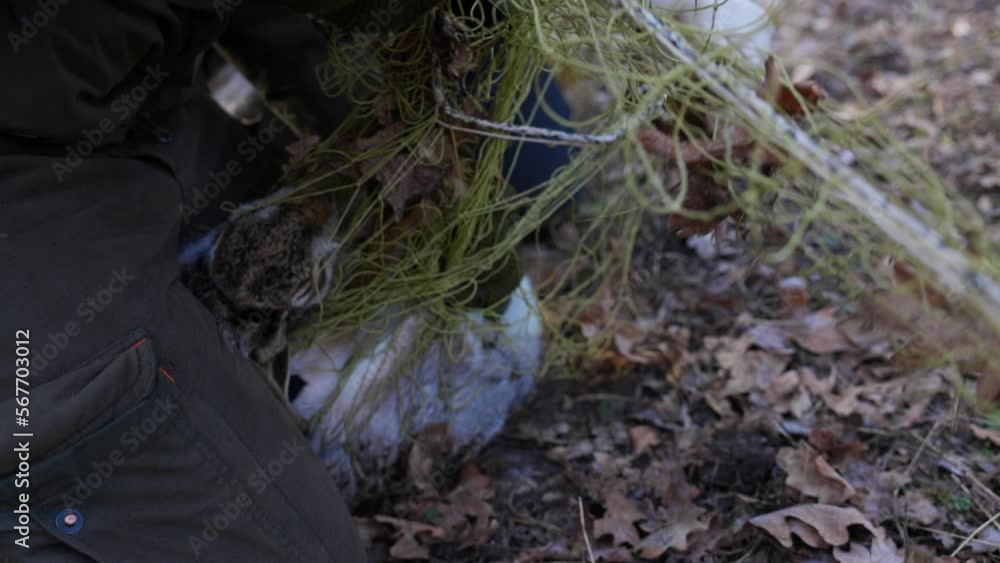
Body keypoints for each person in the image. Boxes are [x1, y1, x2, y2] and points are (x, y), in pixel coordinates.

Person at [0, 1, 572, 561]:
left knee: (542, 164)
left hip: (121, 108)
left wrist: (457, 226)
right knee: (298, 546)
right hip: (33, 189)